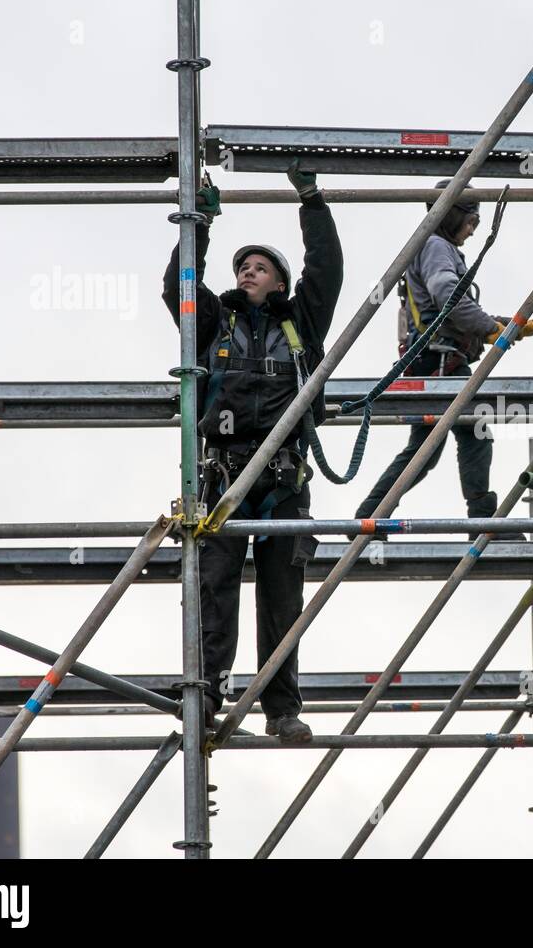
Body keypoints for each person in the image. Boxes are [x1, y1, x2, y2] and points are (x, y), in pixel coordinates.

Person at [163, 160, 343, 742]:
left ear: (281, 284)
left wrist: (311, 199)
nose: (247, 272)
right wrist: (200, 225)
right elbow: (179, 287)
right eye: (243, 266)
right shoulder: (213, 321)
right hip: (222, 482)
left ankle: (281, 709)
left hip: (284, 483)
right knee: (214, 586)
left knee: (281, 599)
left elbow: (328, 269)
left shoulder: (301, 325)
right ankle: (207, 687)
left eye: (259, 267)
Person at [352, 180, 533, 537]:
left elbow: (451, 310)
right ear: (452, 215)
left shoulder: (433, 246)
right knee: (471, 436)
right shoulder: (435, 246)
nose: (473, 231)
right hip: (438, 362)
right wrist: (490, 329)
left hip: (435, 359)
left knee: (429, 450)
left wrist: (516, 327)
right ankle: (481, 520)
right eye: (471, 222)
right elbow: (447, 295)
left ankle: (371, 515)